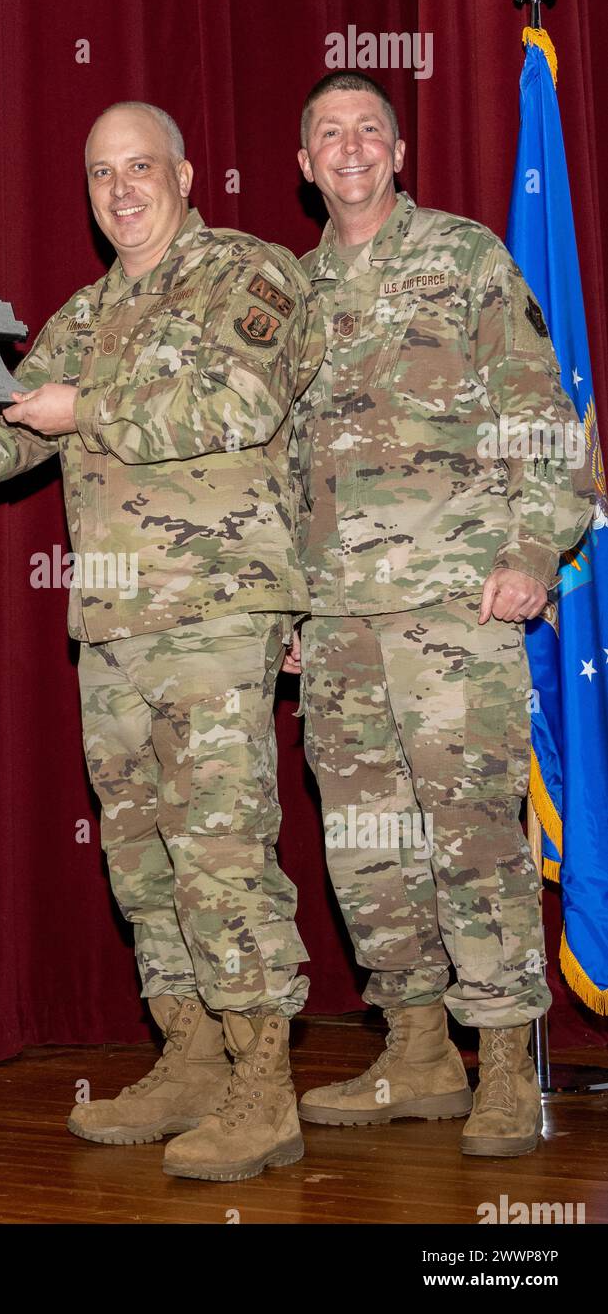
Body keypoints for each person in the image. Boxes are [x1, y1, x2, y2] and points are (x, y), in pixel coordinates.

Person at [0, 101, 324, 1182]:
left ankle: (260, 1085)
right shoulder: (87, 312)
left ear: (184, 172)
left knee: (220, 851)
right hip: (111, 623)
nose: (122, 189)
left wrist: (77, 404)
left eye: (140, 167)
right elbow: (10, 426)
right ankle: (186, 1055)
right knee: (142, 857)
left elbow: (231, 397)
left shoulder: (250, 271)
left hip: (213, 611)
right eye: (100, 174)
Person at [285, 70, 593, 1156]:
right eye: (329, 134)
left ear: (398, 153)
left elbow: (543, 419)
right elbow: (279, 463)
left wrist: (526, 552)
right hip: (335, 626)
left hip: (454, 613)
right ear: (304, 162)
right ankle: (414, 1050)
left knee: (470, 842)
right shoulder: (291, 293)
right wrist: (286, 598)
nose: (350, 147)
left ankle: (504, 1059)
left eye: (369, 130)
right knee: (367, 846)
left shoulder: (463, 257)